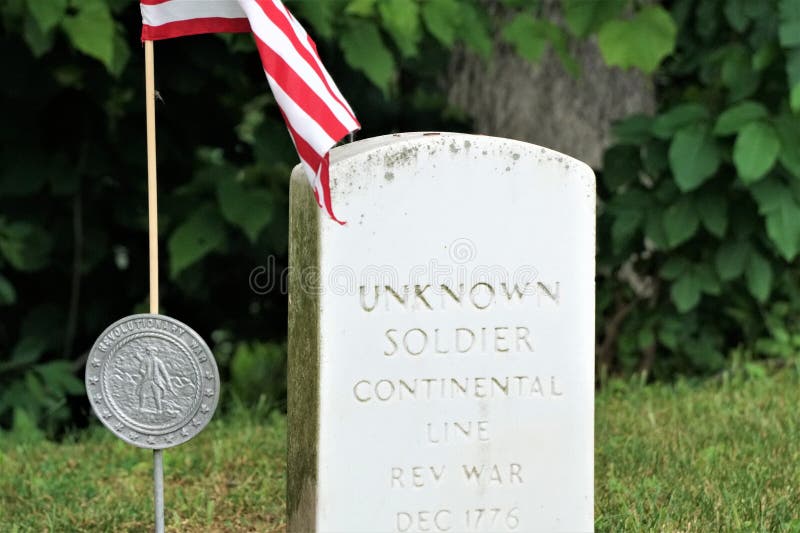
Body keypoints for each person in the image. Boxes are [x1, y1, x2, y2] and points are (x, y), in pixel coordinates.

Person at [134, 345, 176, 412]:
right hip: (147, 380)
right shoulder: (145, 360)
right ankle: (141, 408)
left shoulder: (159, 361)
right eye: (148, 351)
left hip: (156, 381)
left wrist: (168, 382)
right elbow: (141, 369)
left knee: (157, 395)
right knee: (142, 393)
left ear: (154, 352)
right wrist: (145, 374)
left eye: (150, 351)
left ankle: (159, 410)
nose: (148, 352)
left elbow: (164, 372)